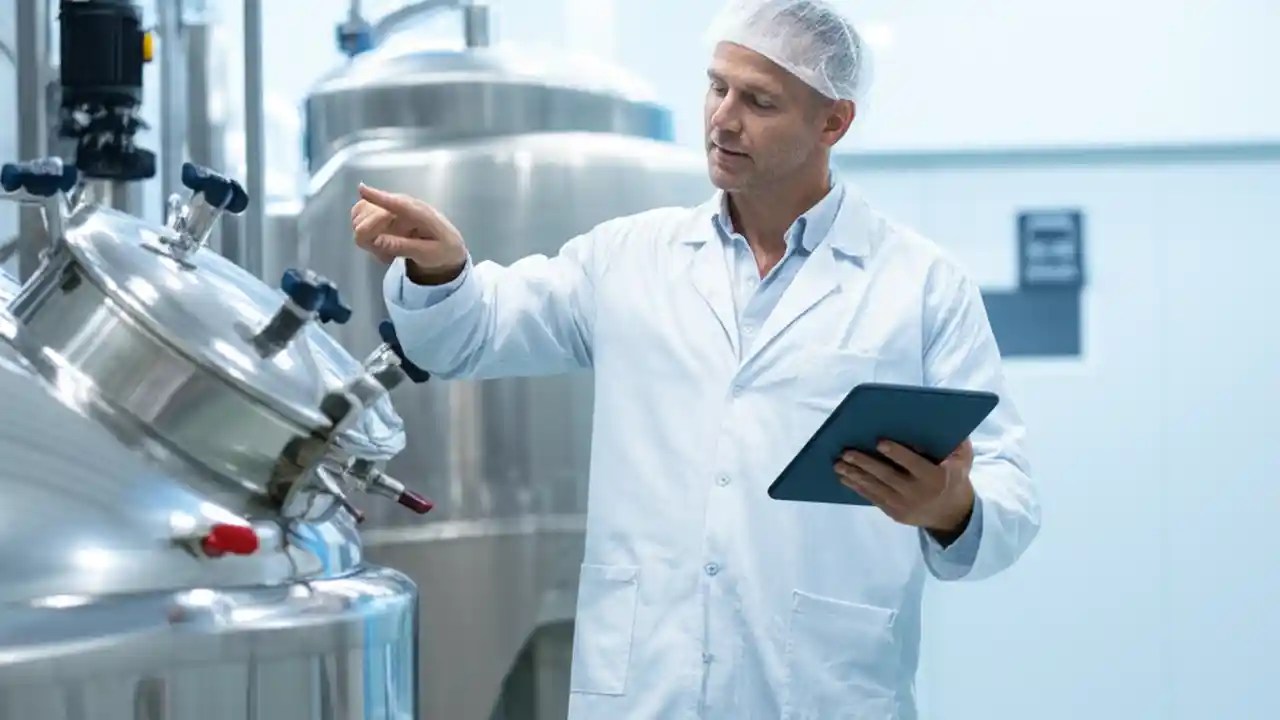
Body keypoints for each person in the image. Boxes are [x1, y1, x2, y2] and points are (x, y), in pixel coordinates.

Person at [351, 0, 1040, 716]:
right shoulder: (630, 257)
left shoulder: (920, 284)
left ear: (833, 122)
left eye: (759, 101)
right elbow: (473, 333)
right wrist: (442, 271)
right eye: (718, 87)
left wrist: (951, 506)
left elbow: (1010, 492)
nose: (723, 119)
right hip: (651, 684)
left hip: (821, 688)